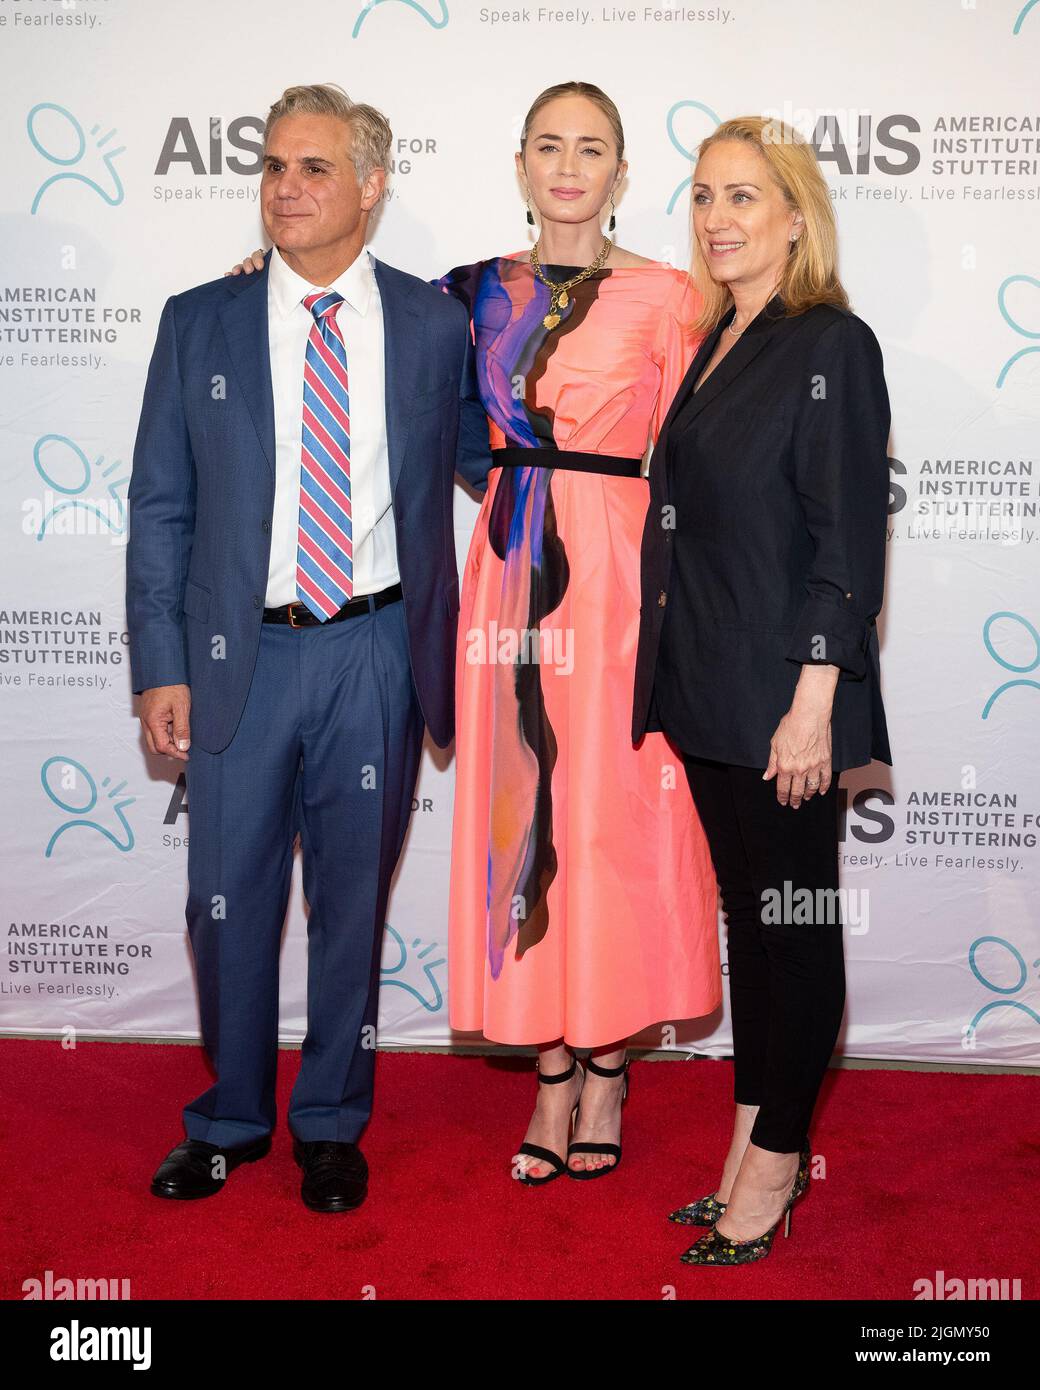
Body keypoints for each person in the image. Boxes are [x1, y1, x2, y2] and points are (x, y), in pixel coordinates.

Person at [228, 81, 722, 1188]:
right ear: (519, 164)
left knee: (608, 817)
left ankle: (608, 1062)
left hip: (617, 576)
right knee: (519, 811)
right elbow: (401, 379)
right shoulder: (467, 295)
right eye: (548, 145)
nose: (567, 166)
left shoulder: (669, 296)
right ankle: (547, 1066)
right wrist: (262, 277)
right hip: (506, 571)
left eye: (589, 149)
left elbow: (705, 443)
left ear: (620, 174)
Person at [126, 83, 489, 1213]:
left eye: (314, 167)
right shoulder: (201, 320)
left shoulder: (434, 325)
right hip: (237, 657)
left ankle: (330, 1122)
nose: (286, 187)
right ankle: (230, 1119)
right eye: (274, 166)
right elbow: (160, 505)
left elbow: (496, 462)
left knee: (350, 906)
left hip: (375, 652)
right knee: (224, 902)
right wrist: (161, 662)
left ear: (372, 187)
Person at [633, 116, 892, 1263]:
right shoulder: (715, 337)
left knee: (795, 927)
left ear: (795, 217)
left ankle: (778, 1162)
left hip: (785, 699)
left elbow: (846, 543)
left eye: (742, 196)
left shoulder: (830, 342)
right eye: (702, 195)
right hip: (706, 687)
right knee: (752, 921)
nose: (716, 217)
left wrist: (811, 703)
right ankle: (747, 1136)